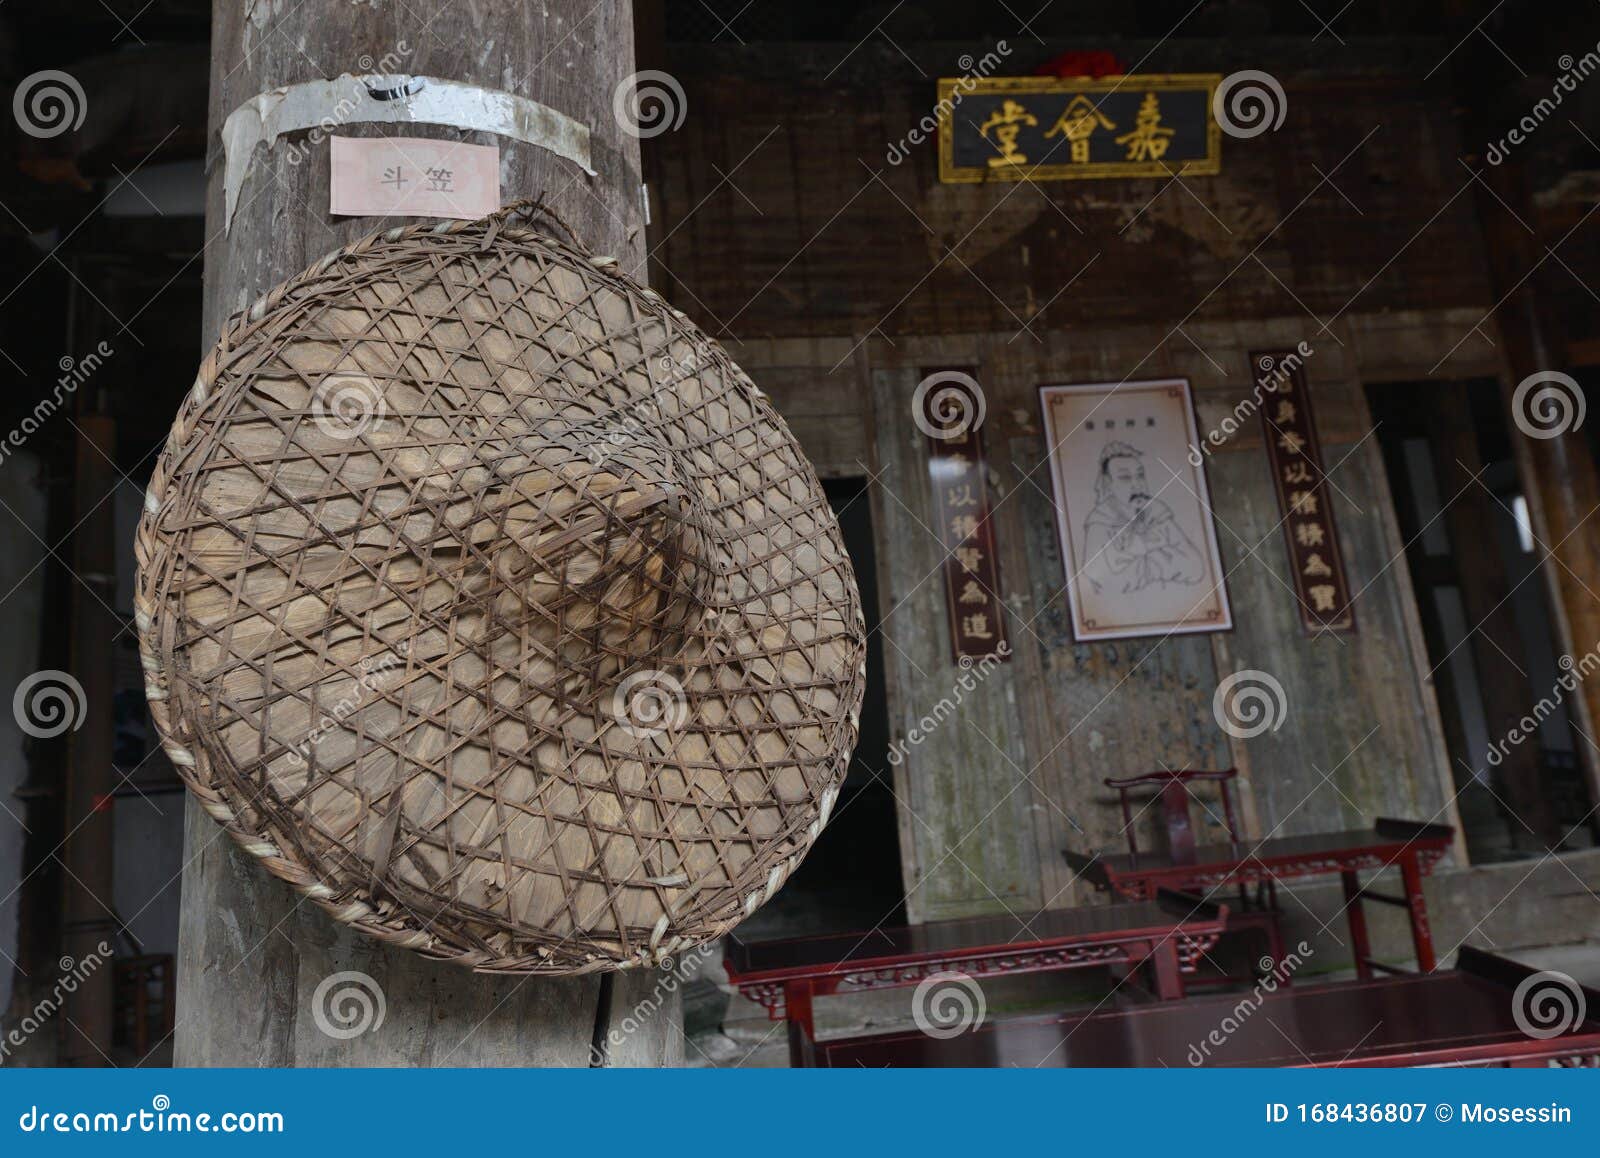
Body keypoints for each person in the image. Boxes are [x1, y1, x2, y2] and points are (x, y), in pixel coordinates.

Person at [1080, 440, 1204, 594]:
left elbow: (1196, 567)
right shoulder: (1101, 520)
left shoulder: (1156, 511)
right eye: (1125, 478)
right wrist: (1159, 556)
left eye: (1140, 475)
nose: (1137, 484)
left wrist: (1139, 562)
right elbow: (1102, 579)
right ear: (1108, 483)